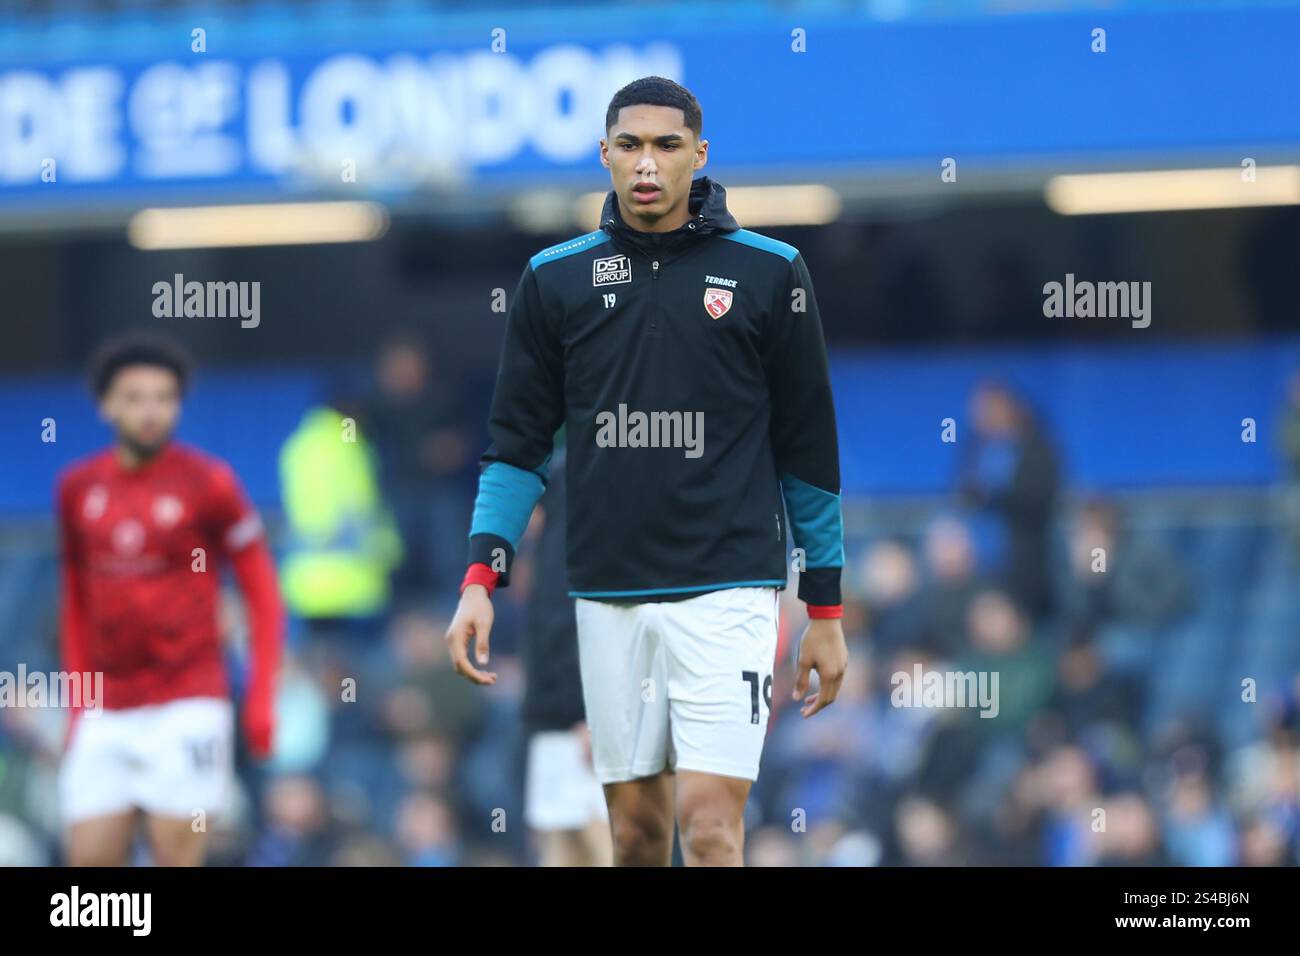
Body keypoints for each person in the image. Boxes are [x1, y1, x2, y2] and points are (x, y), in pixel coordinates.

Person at [444, 76, 847, 867]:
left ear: (700, 154)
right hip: (608, 590)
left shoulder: (772, 271)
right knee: (632, 838)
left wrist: (825, 611)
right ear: (604, 156)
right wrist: (479, 580)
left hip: (730, 587)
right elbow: (517, 446)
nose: (648, 163)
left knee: (706, 825)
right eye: (629, 146)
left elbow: (809, 449)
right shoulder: (554, 279)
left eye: (667, 145)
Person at [56, 332, 283, 865]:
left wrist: (261, 696)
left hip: (188, 703)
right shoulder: (77, 489)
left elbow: (262, 593)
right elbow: (76, 605)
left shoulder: (210, 484)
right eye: (134, 397)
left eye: (163, 398)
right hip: (106, 708)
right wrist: (77, 706)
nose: (150, 411)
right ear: (107, 405)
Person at [518, 444, 612, 866]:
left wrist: (592, 714)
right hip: (554, 715)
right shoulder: (556, 520)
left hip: (579, 718)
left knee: (600, 836)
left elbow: (575, 620)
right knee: (559, 838)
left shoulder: (567, 511)